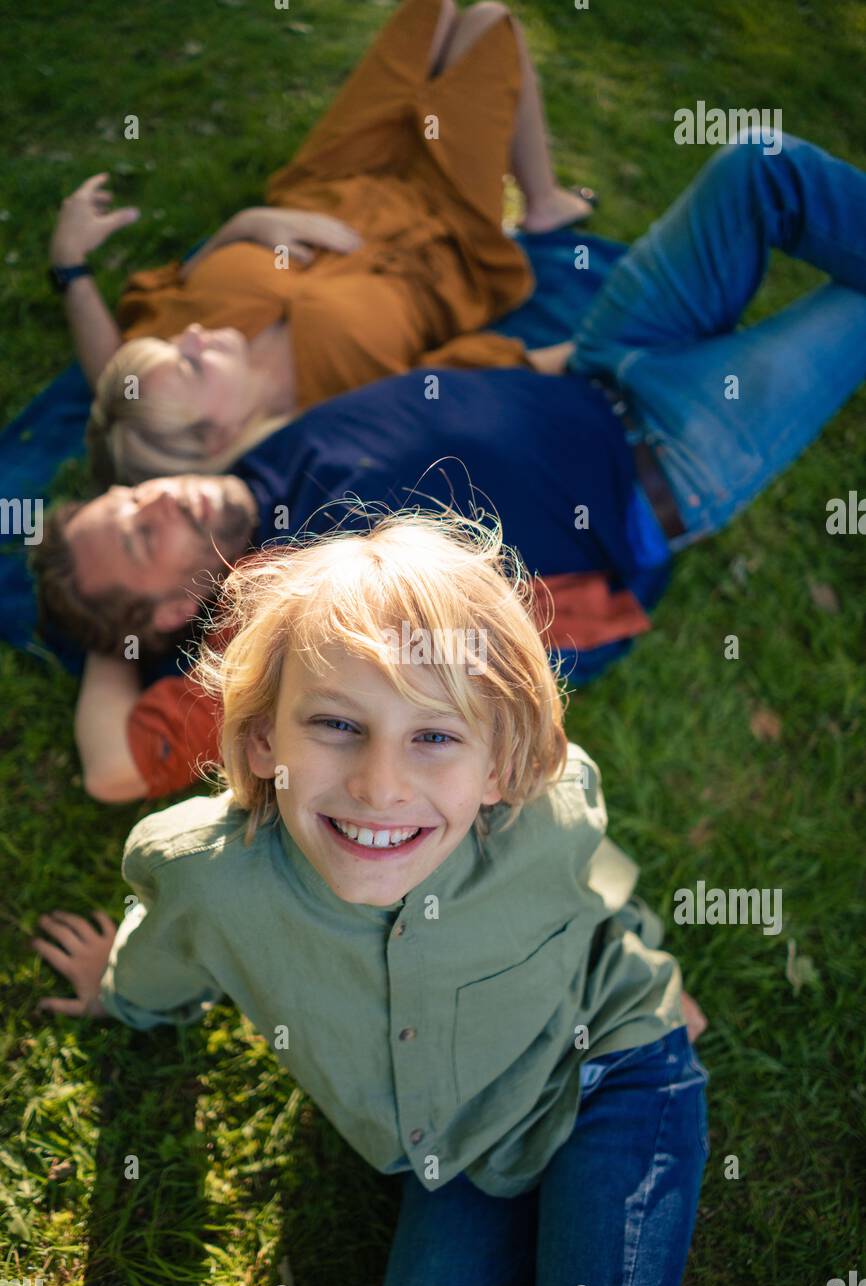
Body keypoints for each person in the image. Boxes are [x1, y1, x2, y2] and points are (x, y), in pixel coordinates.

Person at [31, 126, 866, 803]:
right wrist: (116, 647)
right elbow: (114, 771)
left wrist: (91, 271)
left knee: (762, 167)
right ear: (174, 608)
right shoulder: (286, 618)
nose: (160, 500)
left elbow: (140, 399)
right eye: (143, 538)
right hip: (677, 455)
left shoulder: (243, 467)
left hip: (599, 355)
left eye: (133, 498)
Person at [30, 512, 710, 1286]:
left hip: (612, 1068)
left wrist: (645, 954)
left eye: (435, 737)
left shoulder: (545, 807)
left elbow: (586, 873)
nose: (380, 785)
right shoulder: (208, 877)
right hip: (453, 1147)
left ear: (500, 767)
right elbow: (164, 955)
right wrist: (116, 995)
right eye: (337, 724)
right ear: (260, 741)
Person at [48, 0, 595, 484]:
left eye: (171, 350)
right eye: (189, 365)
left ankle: (540, 194)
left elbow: (110, 382)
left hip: (332, 178)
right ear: (220, 439)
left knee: (434, 10)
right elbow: (458, 381)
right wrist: (592, 349)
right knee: (493, 23)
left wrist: (72, 261)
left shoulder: (155, 379)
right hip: (445, 224)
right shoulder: (334, 415)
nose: (189, 337)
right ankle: (544, 203)